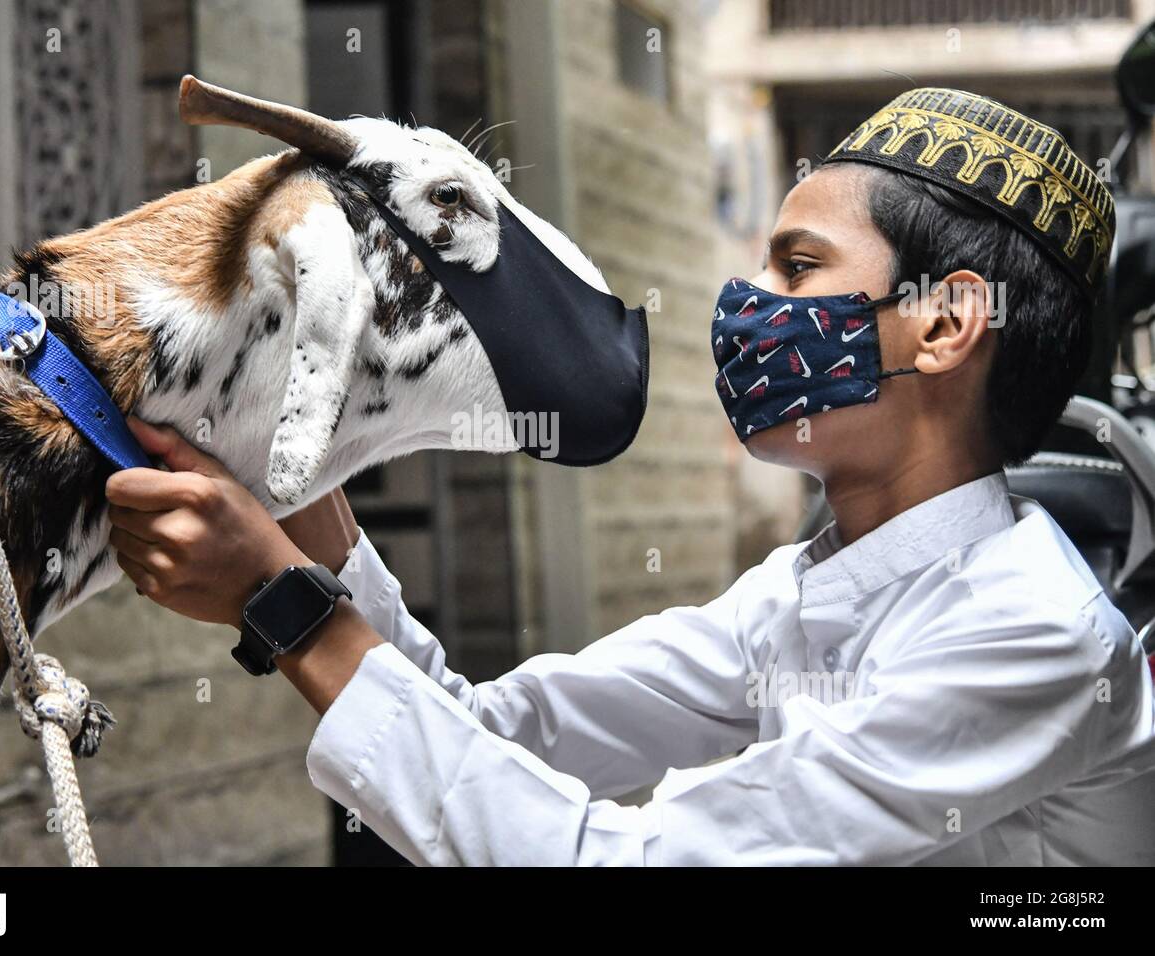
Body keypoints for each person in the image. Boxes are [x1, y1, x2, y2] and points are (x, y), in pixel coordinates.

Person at [105, 89, 1155, 865]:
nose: (747, 300)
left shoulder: (1031, 637)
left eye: (796, 268)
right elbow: (495, 733)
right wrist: (307, 518)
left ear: (943, 324)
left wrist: (282, 604)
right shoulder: (798, 594)